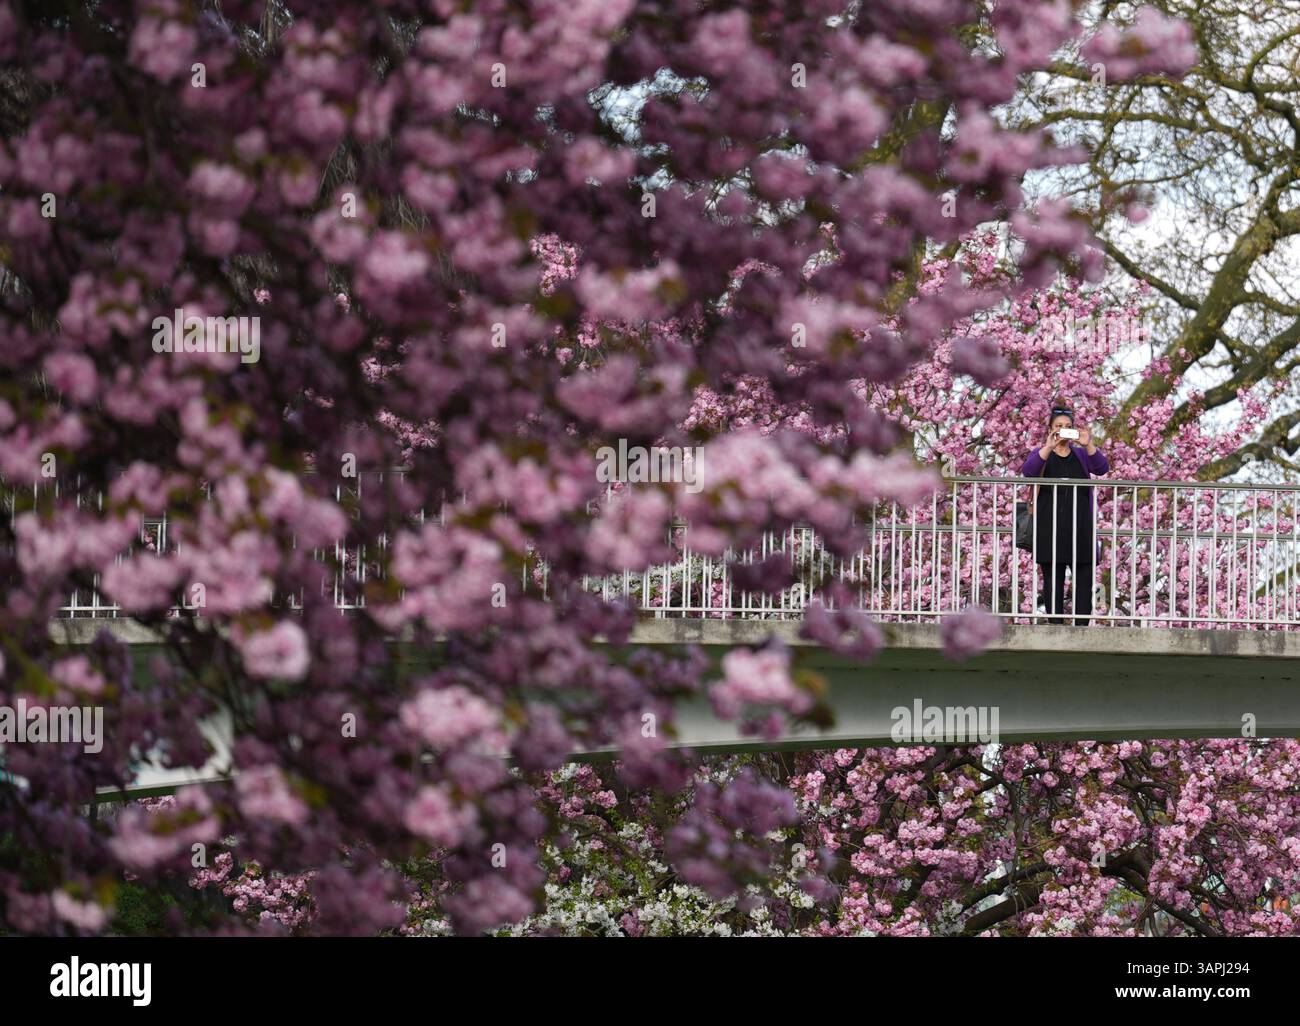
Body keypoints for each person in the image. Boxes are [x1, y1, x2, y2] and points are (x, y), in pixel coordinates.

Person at [1019, 404, 1109, 625]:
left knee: (1084, 576)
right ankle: (1055, 625)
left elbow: (1102, 468)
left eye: (1068, 427)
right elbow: (1028, 471)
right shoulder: (1041, 454)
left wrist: (1088, 445)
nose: (1063, 430)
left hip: (1081, 526)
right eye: (1058, 426)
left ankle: (1081, 626)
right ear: (1050, 429)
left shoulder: (1080, 455)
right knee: (1053, 579)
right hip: (1050, 526)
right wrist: (1048, 447)